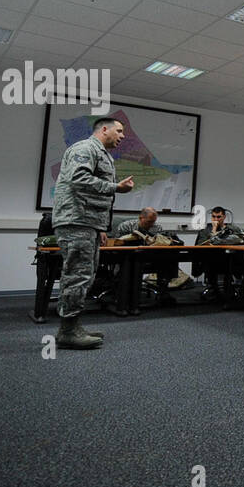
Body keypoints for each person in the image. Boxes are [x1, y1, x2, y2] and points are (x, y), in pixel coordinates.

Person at [51, 116, 135, 348]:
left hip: (87, 223)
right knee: (77, 275)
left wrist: (100, 228)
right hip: (76, 221)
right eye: (118, 131)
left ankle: (73, 326)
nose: (122, 136)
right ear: (104, 129)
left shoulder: (102, 153)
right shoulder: (86, 148)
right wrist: (115, 187)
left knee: (84, 275)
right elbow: (78, 179)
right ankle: (68, 331)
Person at [113, 206, 180, 305]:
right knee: (131, 262)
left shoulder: (157, 228)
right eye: (149, 222)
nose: (151, 225)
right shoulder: (126, 226)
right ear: (141, 218)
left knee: (169, 259)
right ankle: (125, 296)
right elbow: (116, 243)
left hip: (150, 257)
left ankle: (163, 292)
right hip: (128, 257)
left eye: (153, 222)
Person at [194, 206, 244, 304]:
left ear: (224, 217)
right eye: (213, 217)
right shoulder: (205, 230)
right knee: (215, 266)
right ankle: (217, 292)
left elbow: (243, 239)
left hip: (231, 259)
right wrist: (214, 230)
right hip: (212, 260)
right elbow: (200, 245)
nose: (216, 219)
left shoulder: (232, 228)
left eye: (218, 217)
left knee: (234, 265)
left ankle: (232, 294)